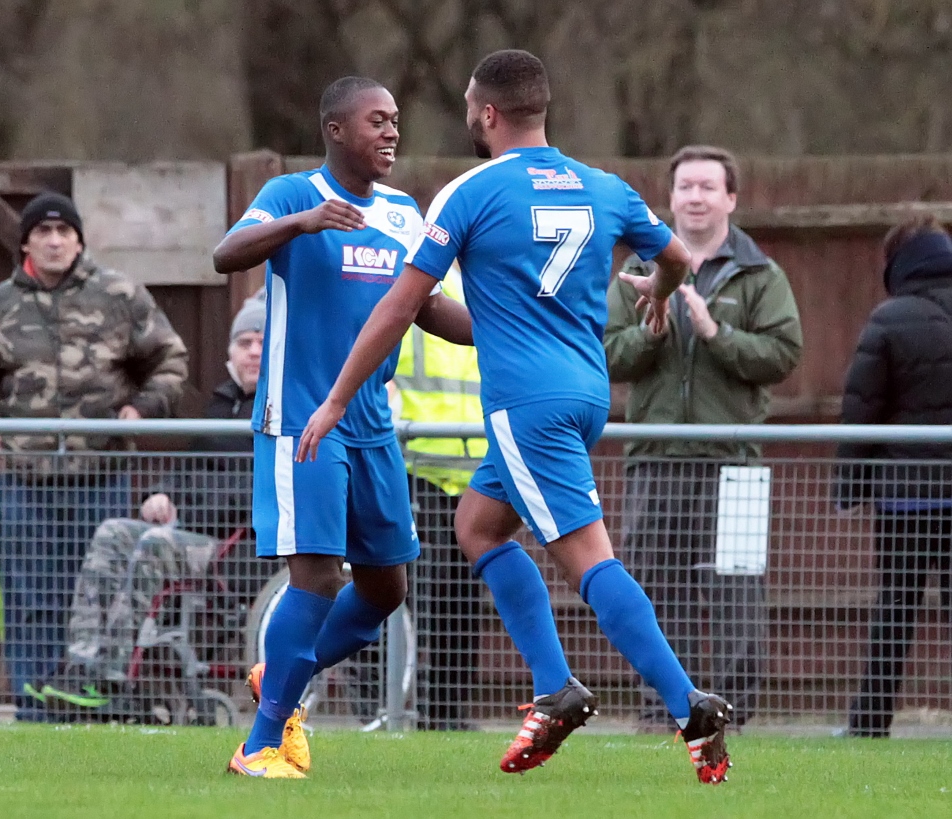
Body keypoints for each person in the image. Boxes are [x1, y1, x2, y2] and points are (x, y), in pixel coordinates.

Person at [300, 50, 733, 785]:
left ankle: (687, 703)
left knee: (589, 559)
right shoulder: (606, 188)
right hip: (587, 392)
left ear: (487, 112)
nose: (469, 116)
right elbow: (678, 260)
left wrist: (337, 397)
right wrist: (658, 291)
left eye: (470, 106)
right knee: (479, 522)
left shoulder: (471, 192)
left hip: (526, 406)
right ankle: (554, 686)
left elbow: (402, 305)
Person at [213, 76, 472, 779]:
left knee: (388, 588)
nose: (391, 133)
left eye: (395, 122)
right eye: (377, 121)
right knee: (319, 575)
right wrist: (302, 224)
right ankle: (262, 743)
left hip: (372, 425)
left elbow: (426, 307)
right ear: (335, 129)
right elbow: (225, 255)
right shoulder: (293, 196)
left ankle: (282, 675)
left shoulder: (401, 212)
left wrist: (506, 332)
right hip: (301, 420)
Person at [0, 192, 189, 720]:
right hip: (22, 482)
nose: (54, 240)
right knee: (28, 601)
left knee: (98, 602)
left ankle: (91, 709)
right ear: (26, 242)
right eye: (43, 232)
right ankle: (34, 711)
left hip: (98, 477)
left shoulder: (119, 295)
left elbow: (171, 360)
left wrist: (140, 409)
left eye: (64, 231)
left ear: (80, 240)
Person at [604, 145, 803, 730]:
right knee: (655, 591)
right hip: (655, 458)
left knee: (739, 594)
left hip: (734, 461)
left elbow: (785, 354)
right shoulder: (638, 269)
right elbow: (608, 353)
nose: (695, 197)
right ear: (670, 198)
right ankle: (663, 709)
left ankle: (733, 715)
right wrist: (652, 329)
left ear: (730, 199)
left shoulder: (761, 275)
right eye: (686, 187)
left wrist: (718, 335)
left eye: (707, 187)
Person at [21, 296, 267, 715]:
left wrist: (188, 509)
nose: (254, 351)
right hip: (196, 532)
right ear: (230, 353)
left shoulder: (284, 408)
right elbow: (191, 468)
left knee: (152, 545)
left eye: (262, 342)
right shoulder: (221, 405)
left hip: (244, 548)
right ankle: (81, 663)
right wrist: (164, 494)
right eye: (244, 342)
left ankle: (113, 676)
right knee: (114, 531)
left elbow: (250, 490)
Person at [835, 215, 952, 738]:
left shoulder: (890, 318)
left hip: (907, 500)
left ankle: (869, 723)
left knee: (895, 611)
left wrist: (849, 488)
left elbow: (863, 409)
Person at [392, 261, 487, 731]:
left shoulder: (488, 276)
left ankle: (448, 714)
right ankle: (411, 709)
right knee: (423, 597)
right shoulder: (422, 277)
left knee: (463, 602)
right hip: (422, 467)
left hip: (477, 470)